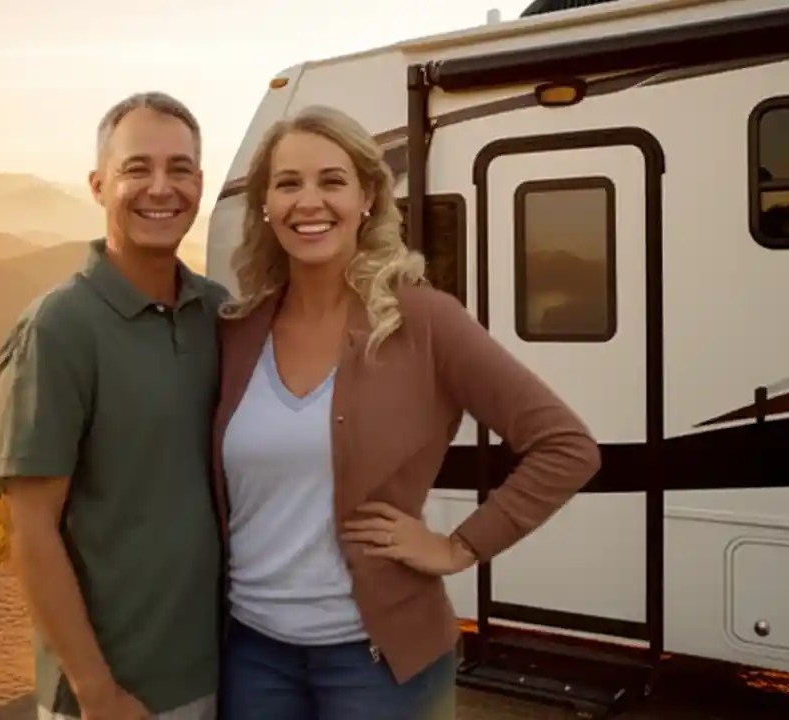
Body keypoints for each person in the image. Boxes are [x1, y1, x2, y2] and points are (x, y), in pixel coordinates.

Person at [210, 105, 602, 719]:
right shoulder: (236, 332)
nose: (308, 201)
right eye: (288, 183)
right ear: (264, 204)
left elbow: (567, 446)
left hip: (379, 664)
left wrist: (458, 547)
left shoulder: (423, 321)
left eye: (332, 181)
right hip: (252, 655)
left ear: (367, 196)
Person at [0, 91, 228, 720]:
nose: (161, 187)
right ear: (100, 185)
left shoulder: (218, 314)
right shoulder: (58, 328)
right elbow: (32, 530)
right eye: (137, 168)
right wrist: (97, 691)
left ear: (200, 183)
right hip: (109, 698)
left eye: (179, 168)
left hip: (217, 675)